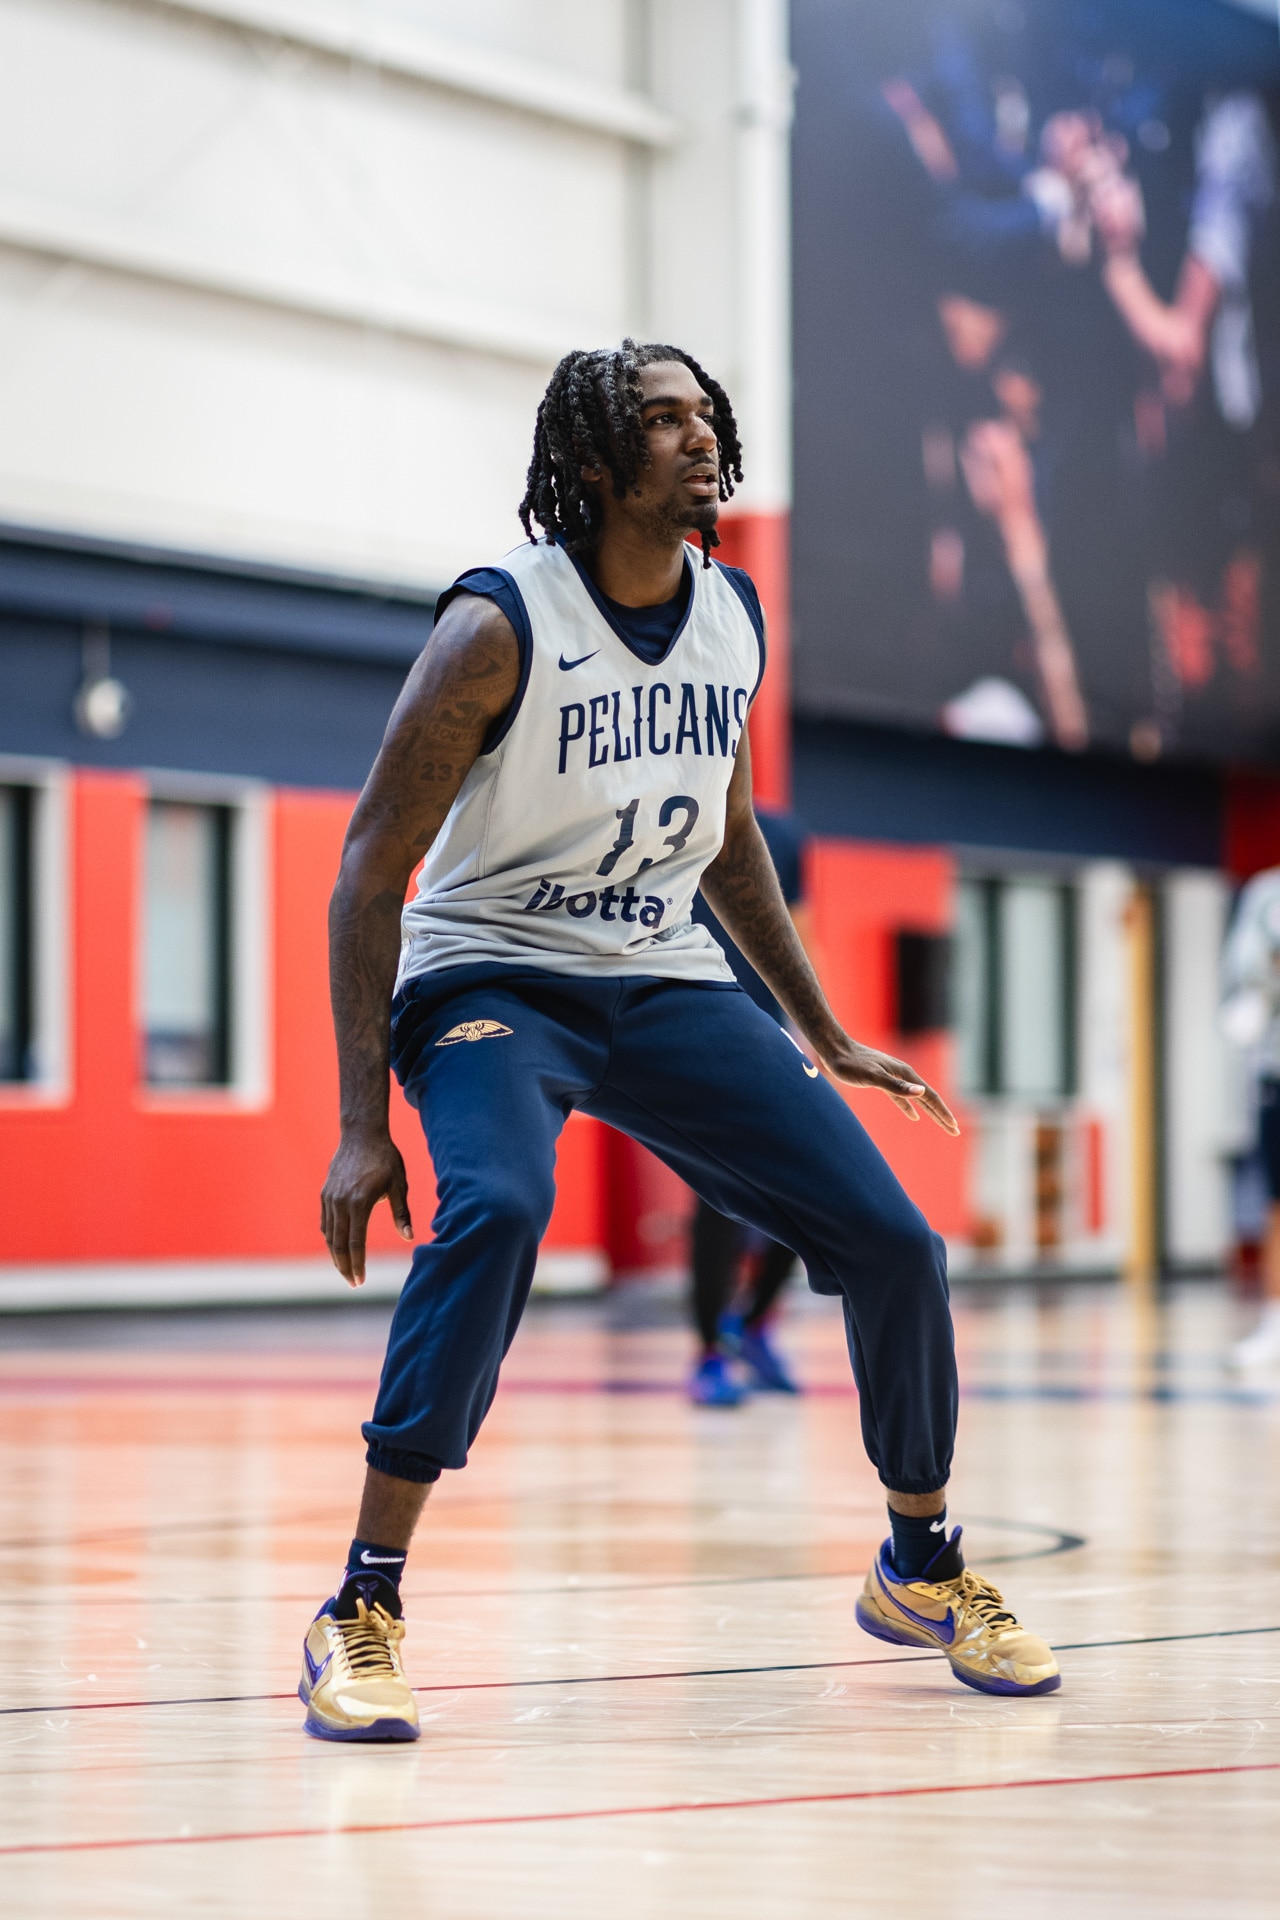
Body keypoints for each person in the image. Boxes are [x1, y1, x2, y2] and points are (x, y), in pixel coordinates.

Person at [303, 340, 1060, 1744]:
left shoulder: (732, 617)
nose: (699, 439)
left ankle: (922, 1562)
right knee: (504, 1208)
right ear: (593, 463)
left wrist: (823, 1032)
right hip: (495, 976)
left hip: (659, 977)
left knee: (896, 1243)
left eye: (706, 416)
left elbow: (727, 840)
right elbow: (367, 870)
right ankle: (363, 1602)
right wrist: (361, 1123)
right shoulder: (498, 627)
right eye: (662, 420)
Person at [686, 805, 813, 1406]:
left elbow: (800, 930)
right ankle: (711, 1353)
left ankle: (756, 1327)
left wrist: (812, 1028)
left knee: (805, 1188)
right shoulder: (672, 808)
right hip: (694, 1023)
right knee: (718, 1200)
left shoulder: (783, 836)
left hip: (770, 1031)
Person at [1221, 866, 1280, 1369]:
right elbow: (1243, 972)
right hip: (1276, 1072)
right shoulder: (1266, 894)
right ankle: (1274, 1325)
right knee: (1276, 1206)